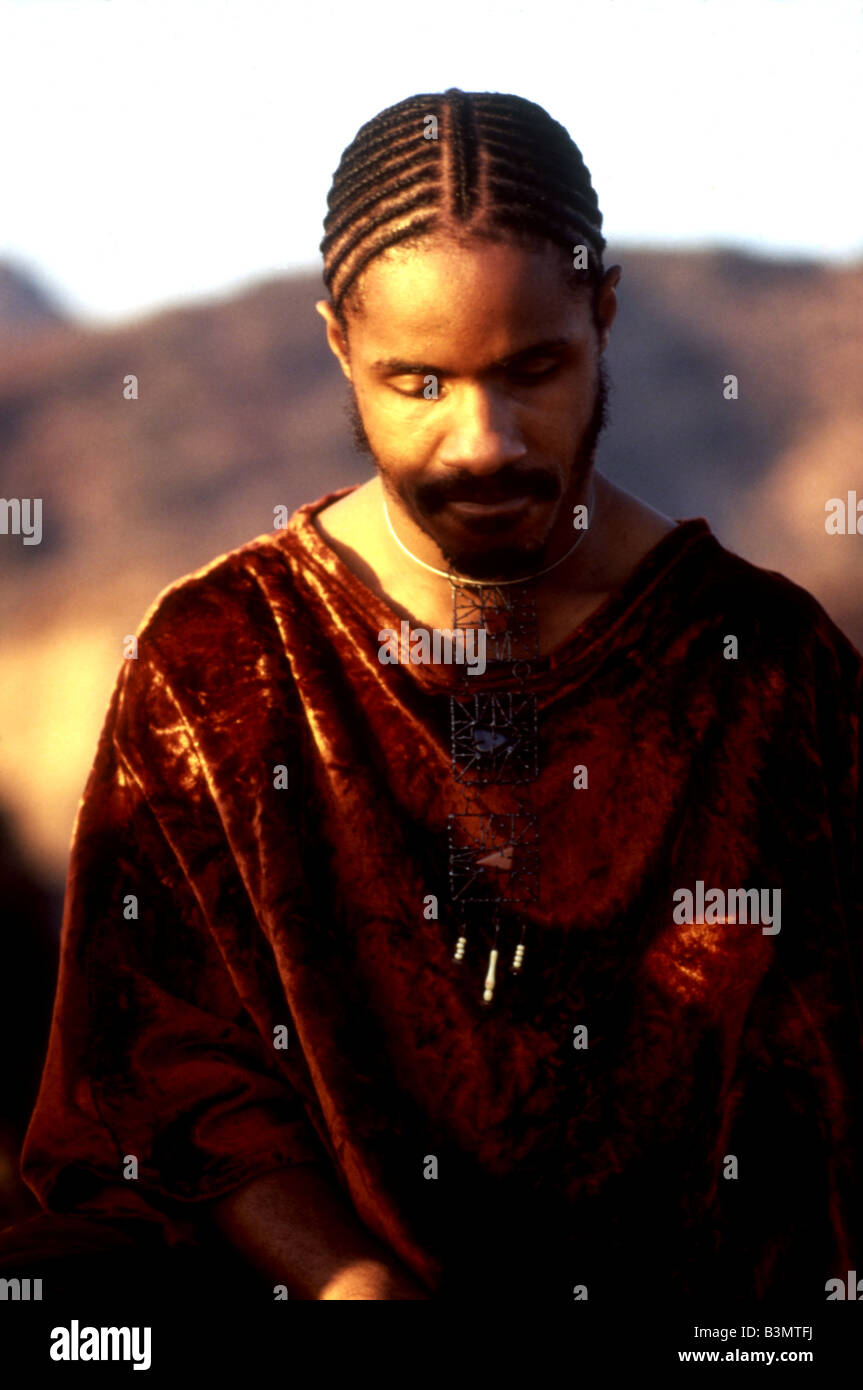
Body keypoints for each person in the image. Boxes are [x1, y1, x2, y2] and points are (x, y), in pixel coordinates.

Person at [1, 88, 861, 1305]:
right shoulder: (226, 657)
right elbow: (161, 1078)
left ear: (602, 317)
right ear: (340, 346)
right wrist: (349, 1282)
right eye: (419, 383)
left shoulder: (760, 664)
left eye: (534, 369)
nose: (485, 442)